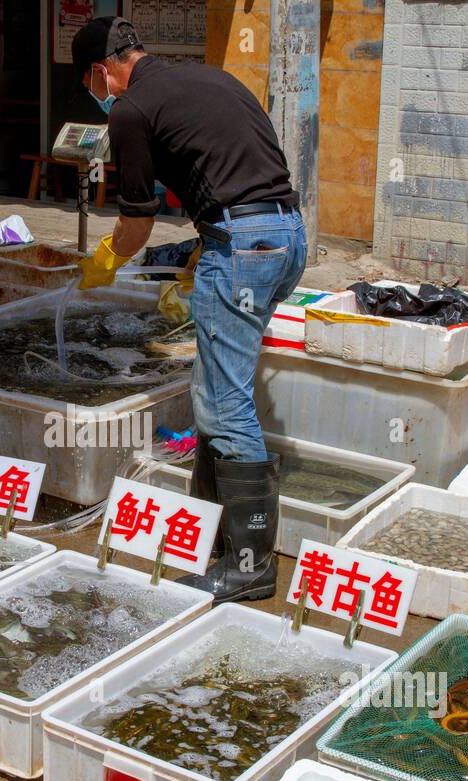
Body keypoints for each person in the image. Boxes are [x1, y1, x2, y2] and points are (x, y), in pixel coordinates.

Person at [71, 16, 307, 604]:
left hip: (245, 247)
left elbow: (136, 222)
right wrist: (204, 248)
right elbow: (237, 171)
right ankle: (212, 522)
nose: (97, 94)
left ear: (102, 71)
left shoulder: (129, 109)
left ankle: (250, 563)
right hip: (288, 236)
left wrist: (104, 260)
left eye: (91, 83)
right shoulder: (212, 79)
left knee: (227, 403)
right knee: (216, 383)